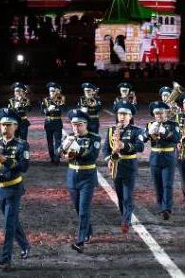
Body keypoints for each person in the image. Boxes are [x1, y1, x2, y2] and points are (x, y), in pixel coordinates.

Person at [0, 108, 31, 269]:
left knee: (8, 225)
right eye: (2, 125)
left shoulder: (22, 145)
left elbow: (24, 167)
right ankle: (25, 245)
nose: (5, 128)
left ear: (15, 127)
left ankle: (5, 259)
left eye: (8, 125)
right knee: (12, 221)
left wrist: (5, 160)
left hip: (14, 189)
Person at [59, 109, 101, 253]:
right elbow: (59, 152)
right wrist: (65, 146)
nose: (76, 127)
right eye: (74, 125)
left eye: (79, 125)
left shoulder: (94, 138)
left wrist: (77, 150)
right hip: (72, 176)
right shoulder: (70, 137)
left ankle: (80, 241)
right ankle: (88, 231)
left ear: (86, 124)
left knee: (83, 210)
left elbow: (92, 156)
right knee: (78, 209)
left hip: (87, 177)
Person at [103, 102, 145, 233]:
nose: (122, 116)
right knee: (120, 195)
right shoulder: (111, 130)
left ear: (130, 115)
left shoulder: (137, 131)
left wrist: (124, 146)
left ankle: (126, 221)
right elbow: (105, 149)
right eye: (120, 114)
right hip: (116, 165)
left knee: (128, 196)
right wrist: (108, 159)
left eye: (125, 114)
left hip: (129, 166)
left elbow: (140, 147)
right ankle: (124, 216)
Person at [145, 101, 180, 220]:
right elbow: (143, 139)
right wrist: (148, 133)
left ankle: (167, 208)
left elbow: (177, 138)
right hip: (155, 157)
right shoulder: (150, 124)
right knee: (158, 185)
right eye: (156, 114)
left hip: (168, 156)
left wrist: (165, 132)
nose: (159, 116)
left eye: (161, 113)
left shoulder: (173, 124)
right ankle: (161, 206)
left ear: (166, 113)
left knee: (167, 185)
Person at [41, 82, 66, 164]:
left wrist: (56, 100)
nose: (52, 92)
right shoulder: (45, 100)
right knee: (50, 141)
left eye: (53, 90)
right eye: (50, 91)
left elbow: (63, 109)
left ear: (57, 91)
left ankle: (57, 157)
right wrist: (48, 110)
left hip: (57, 122)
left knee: (58, 141)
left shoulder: (61, 99)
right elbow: (42, 111)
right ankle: (52, 157)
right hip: (48, 122)